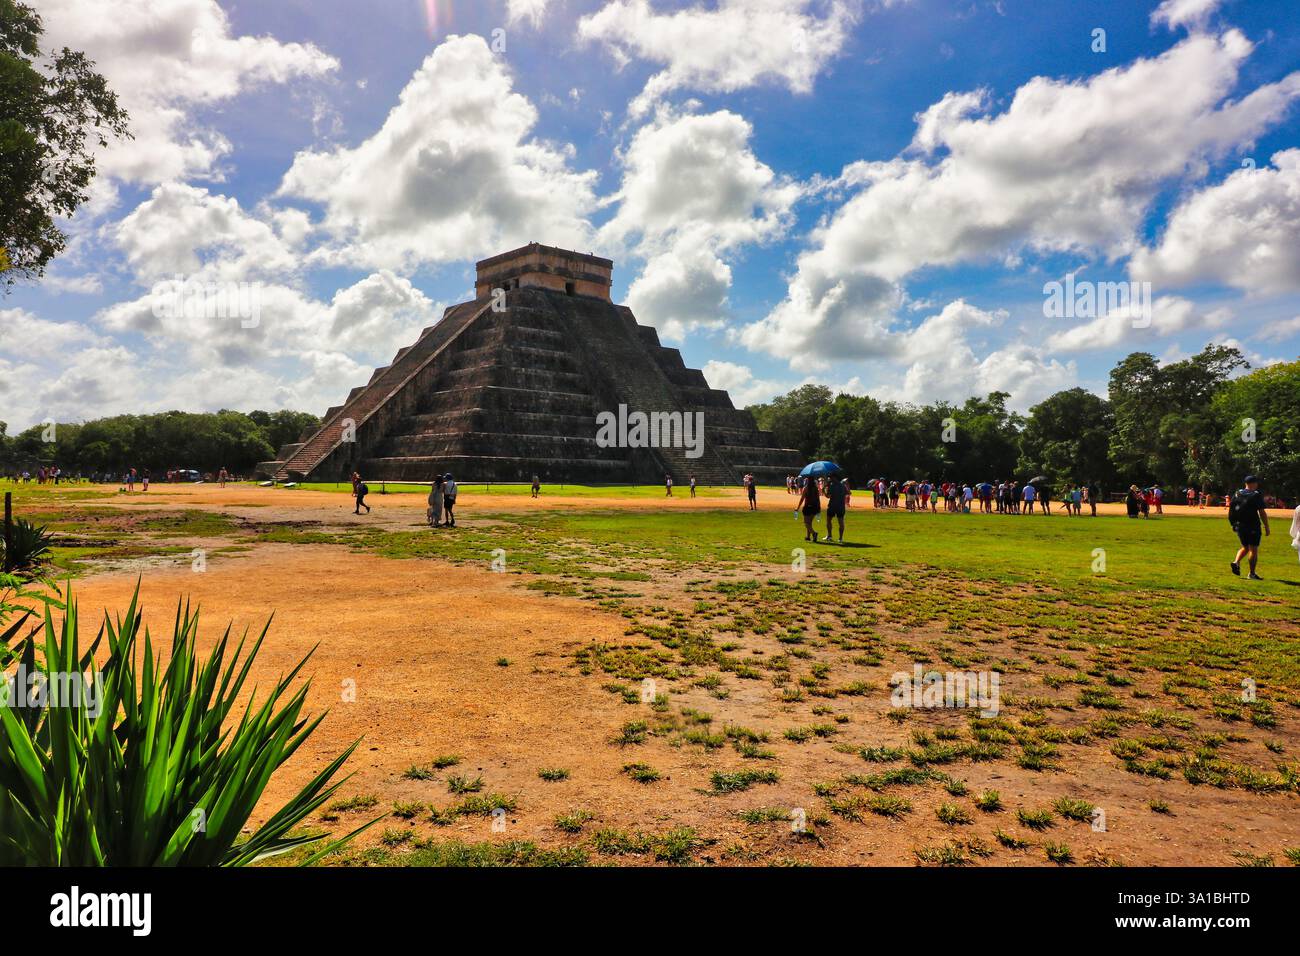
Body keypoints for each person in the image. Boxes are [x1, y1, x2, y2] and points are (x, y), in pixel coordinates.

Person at [1229, 475, 1269, 579]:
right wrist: (1266, 526)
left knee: (1245, 547)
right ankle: (1252, 573)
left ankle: (1236, 562)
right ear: (1253, 483)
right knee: (1253, 549)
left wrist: (1233, 524)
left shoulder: (1237, 493)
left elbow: (1231, 510)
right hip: (1252, 526)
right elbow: (1262, 512)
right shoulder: (1255, 495)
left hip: (1240, 526)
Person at [798, 471, 822, 543]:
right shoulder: (816, 489)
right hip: (815, 507)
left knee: (806, 523)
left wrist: (798, 507)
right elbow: (818, 499)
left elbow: (802, 498)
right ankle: (808, 536)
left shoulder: (806, 488)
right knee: (809, 523)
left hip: (807, 507)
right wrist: (819, 507)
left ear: (808, 481)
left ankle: (814, 533)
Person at [825, 475, 847, 543]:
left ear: (834, 477)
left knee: (828, 520)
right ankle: (840, 538)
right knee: (841, 522)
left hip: (832, 506)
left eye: (830, 477)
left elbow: (828, 496)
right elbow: (847, 493)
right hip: (841, 506)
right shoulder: (843, 485)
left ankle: (829, 536)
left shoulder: (831, 485)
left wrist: (824, 490)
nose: (829, 479)